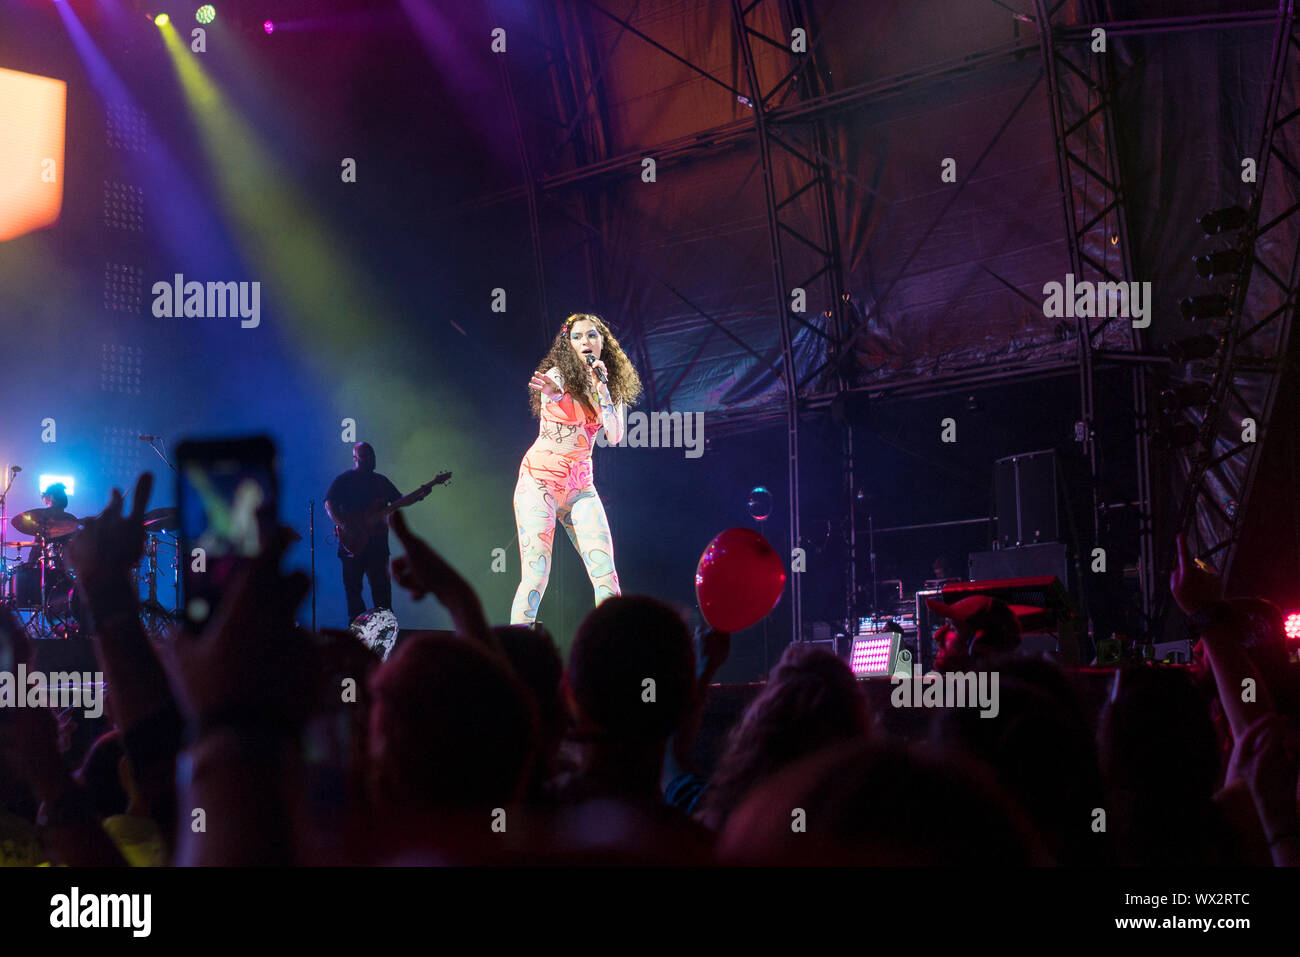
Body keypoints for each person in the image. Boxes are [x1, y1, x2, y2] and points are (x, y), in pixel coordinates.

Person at [510, 313, 642, 626]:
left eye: (592, 336)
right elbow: (554, 394)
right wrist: (556, 394)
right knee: (536, 575)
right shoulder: (556, 375)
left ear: (602, 342)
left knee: (605, 573)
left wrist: (603, 388)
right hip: (539, 483)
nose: (586, 342)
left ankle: (614, 650)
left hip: (581, 488)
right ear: (569, 344)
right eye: (578, 337)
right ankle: (515, 651)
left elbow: (615, 434)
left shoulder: (611, 385)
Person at [325, 443, 401, 624]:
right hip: (351, 544)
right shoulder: (345, 480)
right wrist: (343, 525)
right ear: (355, 458)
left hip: (377, 545)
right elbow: (329, 504)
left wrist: (421, 493)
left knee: (381, 592)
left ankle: (385, 633)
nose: (370, 459)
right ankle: (358, 634)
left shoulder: (381, 482)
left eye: (372, 455)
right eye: (365, 456)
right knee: (353, 592)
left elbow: (399, 500)